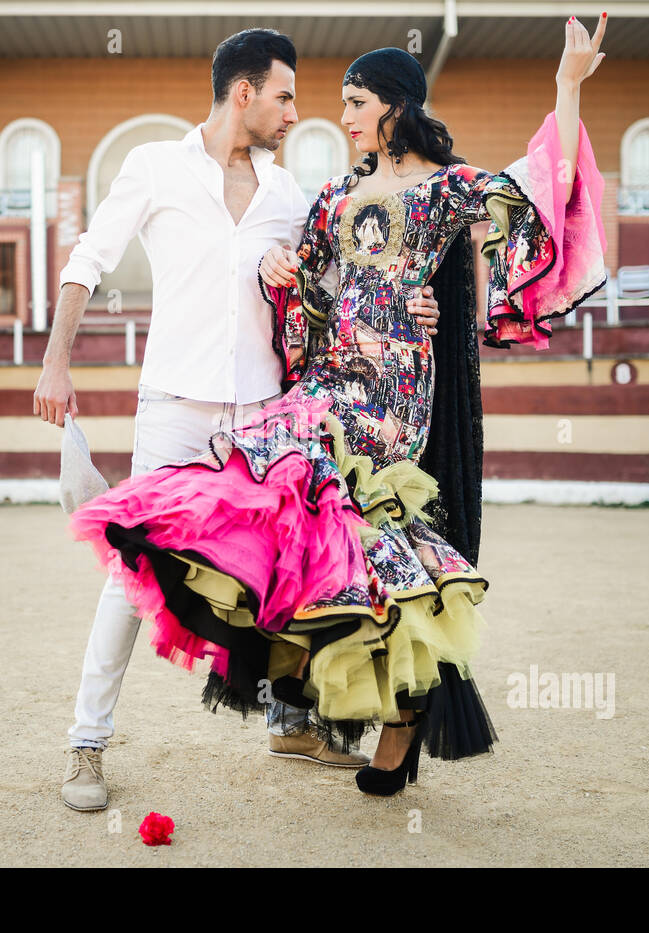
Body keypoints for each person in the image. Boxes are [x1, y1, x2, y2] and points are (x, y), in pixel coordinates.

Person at [67, 16, 609, 795]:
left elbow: (540, 189)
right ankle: (278, 673)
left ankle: (387, 717)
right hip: (321, 385)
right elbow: (304, 292)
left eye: (354, 101)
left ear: (392, 106)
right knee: (282, 514)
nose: (339, 116)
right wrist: (282, 272)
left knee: (367, 542)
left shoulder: (446, 190)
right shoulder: (331, 194)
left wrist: (566, 86)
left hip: (393, 397)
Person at [34, 28, 444, 812]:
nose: (297, 112)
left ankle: (291, 723)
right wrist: (57, 361)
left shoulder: (288, 195)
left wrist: (421, 301)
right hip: (173, 411)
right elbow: (87, 259)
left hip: (264, 417)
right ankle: (86, 744)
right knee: (130, 576)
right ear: (244, 93)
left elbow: (339, 280)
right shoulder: (155, 165)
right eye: (286, 96)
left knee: (284, 575)